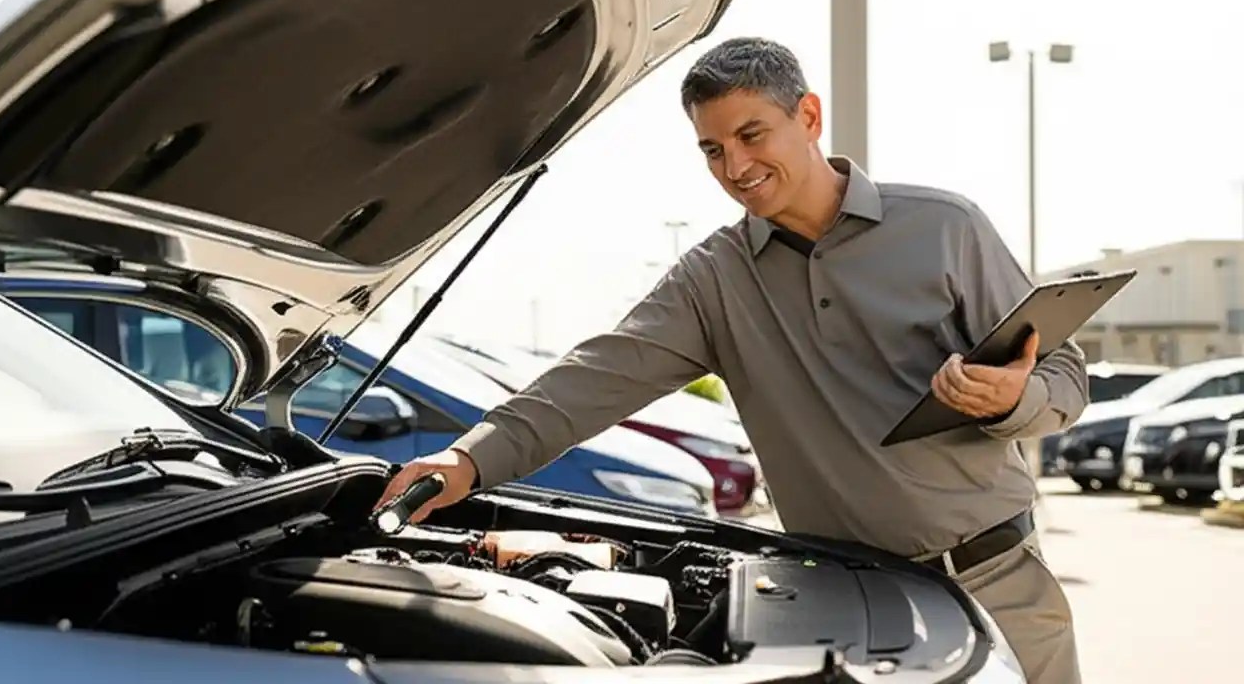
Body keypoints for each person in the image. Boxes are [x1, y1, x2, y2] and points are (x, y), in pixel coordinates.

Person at [377, 37, 1087, 683]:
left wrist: (1008, 401)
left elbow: (1066, 378)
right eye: (713, 150)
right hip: (847, 605)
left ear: (808, 116)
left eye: (751, 135)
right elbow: (591, 379)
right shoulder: (712, 280)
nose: (736, 167)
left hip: (1002, 586)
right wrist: (467, 460)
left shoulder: (945, 227)